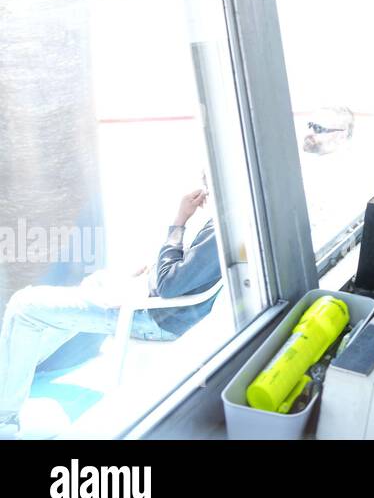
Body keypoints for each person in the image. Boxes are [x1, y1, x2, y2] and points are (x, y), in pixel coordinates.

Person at [0, 187, 221, 438]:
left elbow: (169, 284)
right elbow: (181, 276)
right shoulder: (227, 220)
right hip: (155, 302)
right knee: (95, 282)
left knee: (23, 306)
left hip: (154, 317)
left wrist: (180, 219)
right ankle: (10, 375)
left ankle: (4, 420)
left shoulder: (220, 229)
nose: (204, 183)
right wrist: (147, 277)